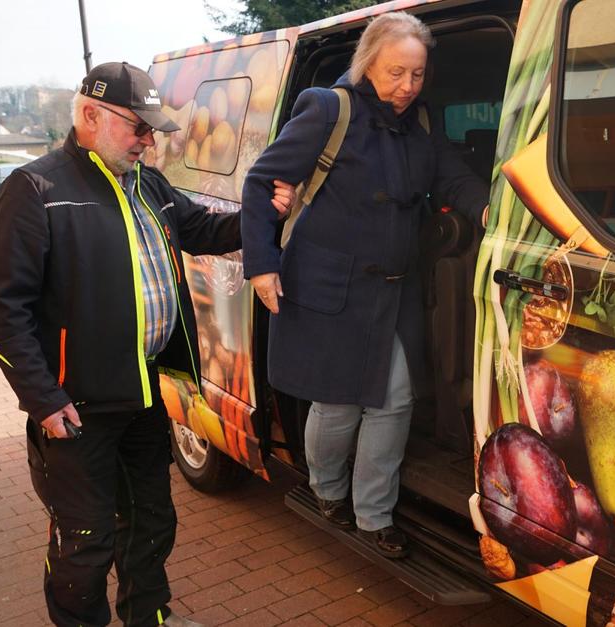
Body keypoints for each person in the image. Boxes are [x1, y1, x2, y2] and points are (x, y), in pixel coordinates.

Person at [0, 62, 290, 627]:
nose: (149, 141)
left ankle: (149, 618)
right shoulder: (36, 190)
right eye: (137, 127)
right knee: (86, 540)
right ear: (90, 115)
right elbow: (4, 312)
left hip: (146, 392)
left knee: (151, 521)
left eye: (153, 129)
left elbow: (203, 230)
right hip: (76, 408)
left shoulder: (150, 185)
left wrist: (262, 213)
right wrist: (44, 400)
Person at [241, 12, 489, 558]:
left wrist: (492, 209)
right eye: (397, 72)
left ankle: (373, 514)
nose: (407, 87)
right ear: (368, 62)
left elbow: (451, 176)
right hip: (332, 287)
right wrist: (262, 264)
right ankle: (328, 489)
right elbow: (262, 181)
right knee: (338, 404)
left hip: (394, 290)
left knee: (395, 400)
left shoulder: (419, 122)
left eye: (417, 75)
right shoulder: (329, 108)